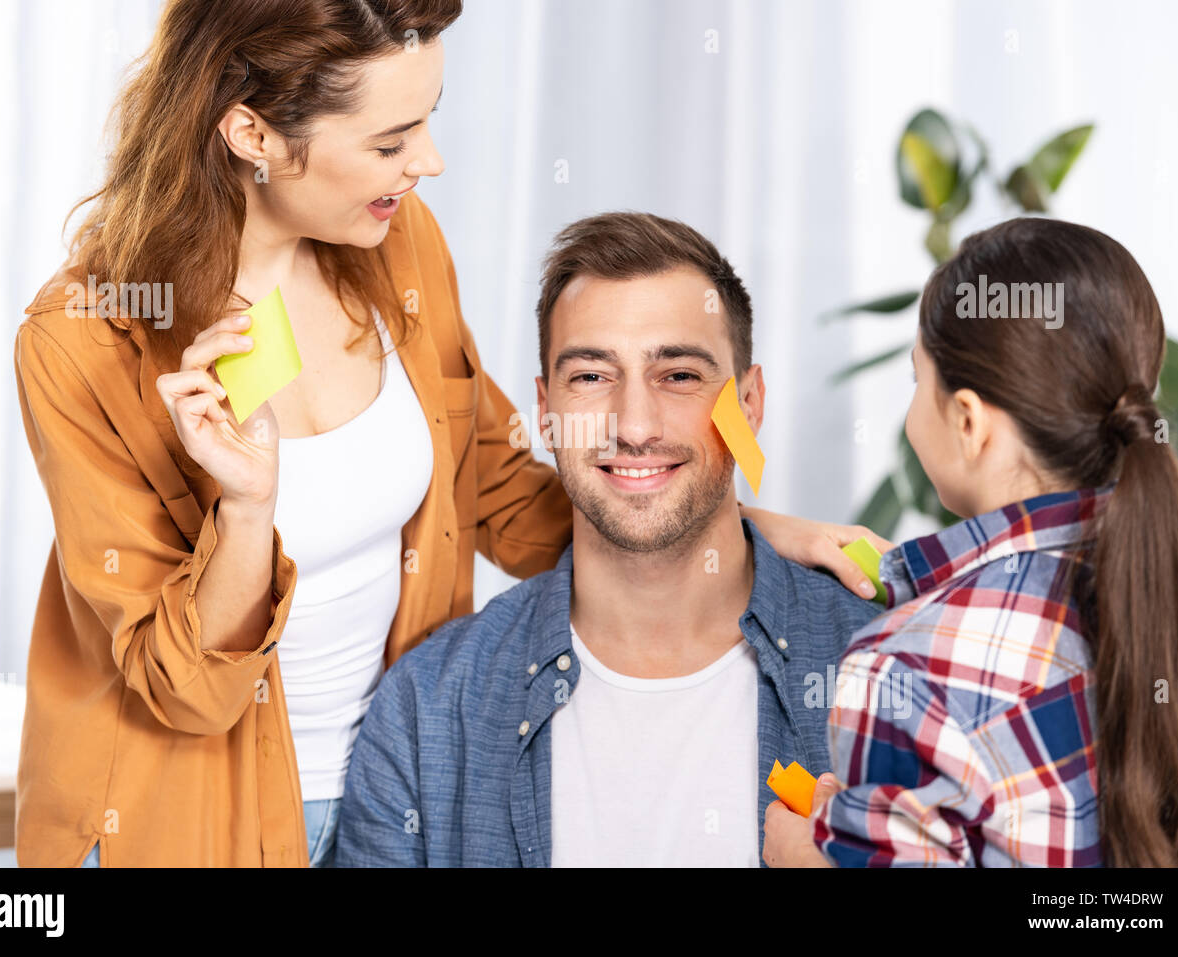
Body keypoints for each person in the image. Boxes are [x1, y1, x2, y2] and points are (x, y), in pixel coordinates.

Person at [15, 0, 885, 868]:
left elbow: (501, 489)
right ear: (254, 135)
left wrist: (730, 532)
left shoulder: (393, 245)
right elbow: (185, 688)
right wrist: (246, 510)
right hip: (187, 821)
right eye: (389, 144)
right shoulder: (84, 339)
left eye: (427, 121)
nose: (427, 162)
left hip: (394, 785)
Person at [334, 212, 883, 867]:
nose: (635, 425)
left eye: (678, 374)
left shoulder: (888, 672)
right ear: (545, 411)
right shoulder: (429, 708)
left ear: (750, 403)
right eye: (592, 376)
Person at [763, 217, 1178, 868]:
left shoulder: (902, 669)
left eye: (920, 381)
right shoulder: (1175, 602)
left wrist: (809, 859)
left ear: (968, 421)